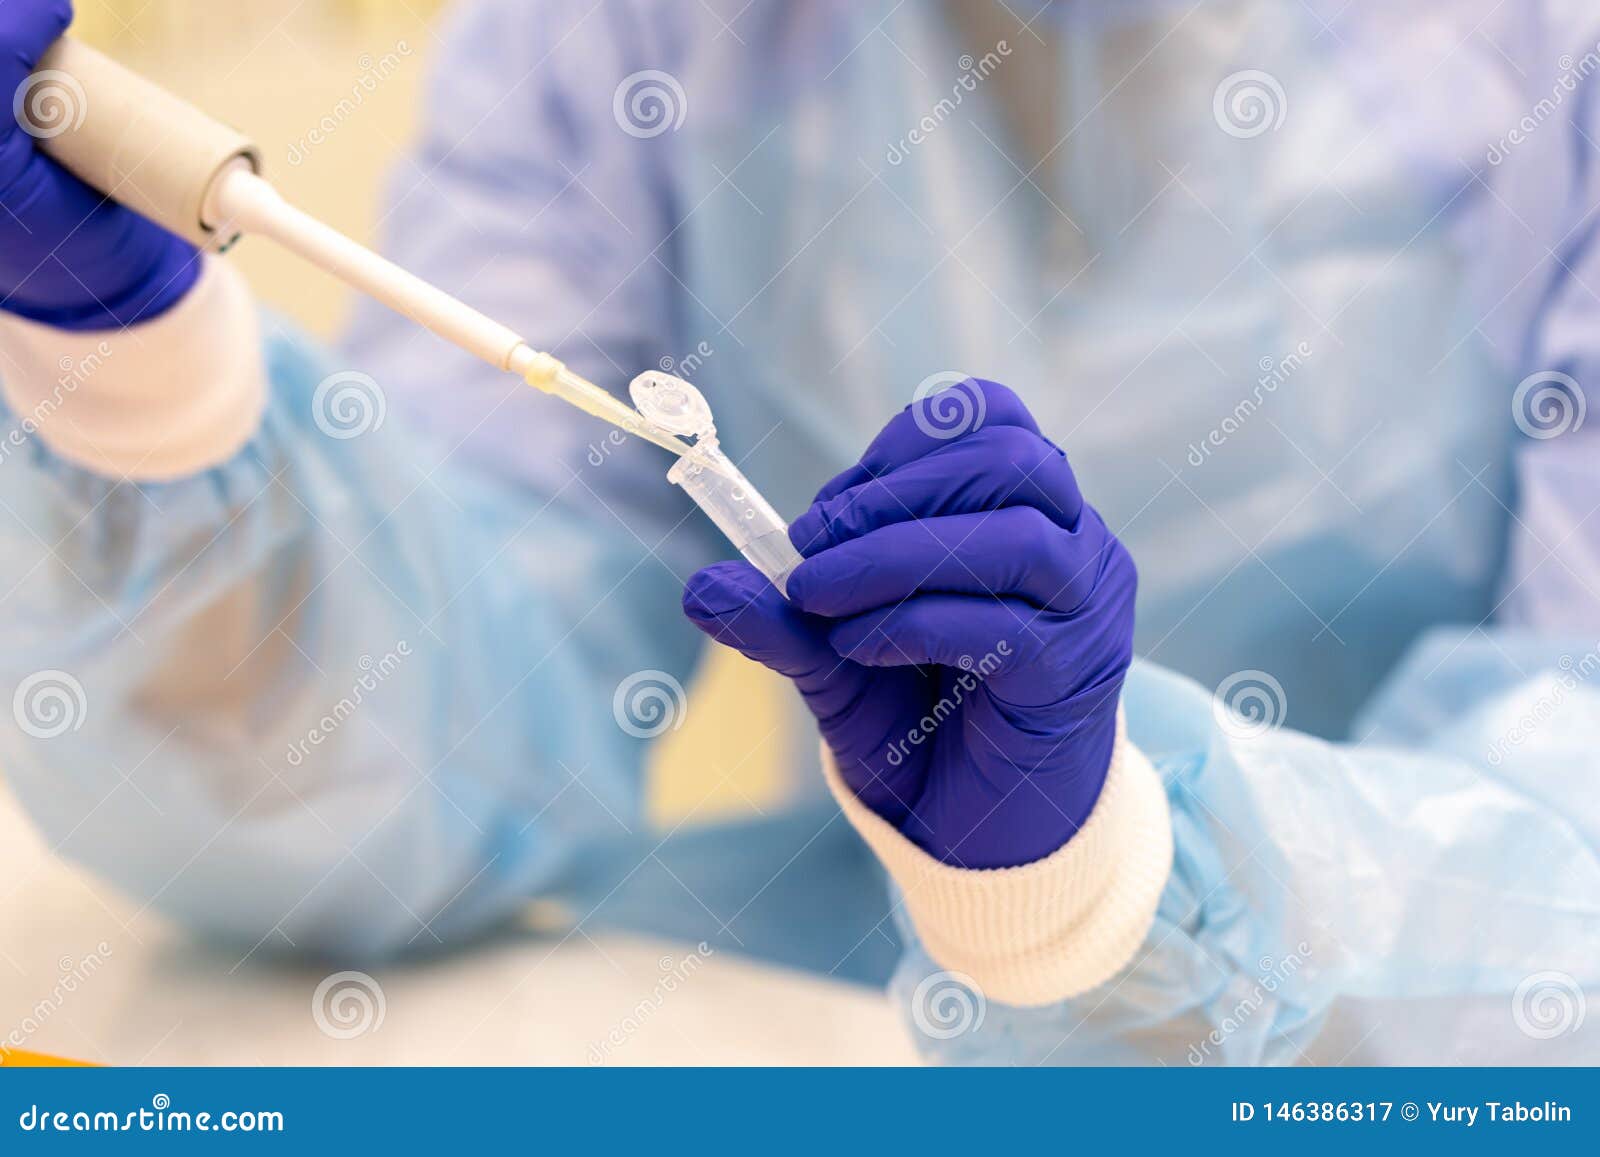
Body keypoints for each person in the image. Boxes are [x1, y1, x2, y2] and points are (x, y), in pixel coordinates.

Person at [1, 0, 1596, 1064]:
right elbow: (386, 779)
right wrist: (147, 393)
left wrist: (1120, 870)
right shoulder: (635, 33)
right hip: (857, 1019)